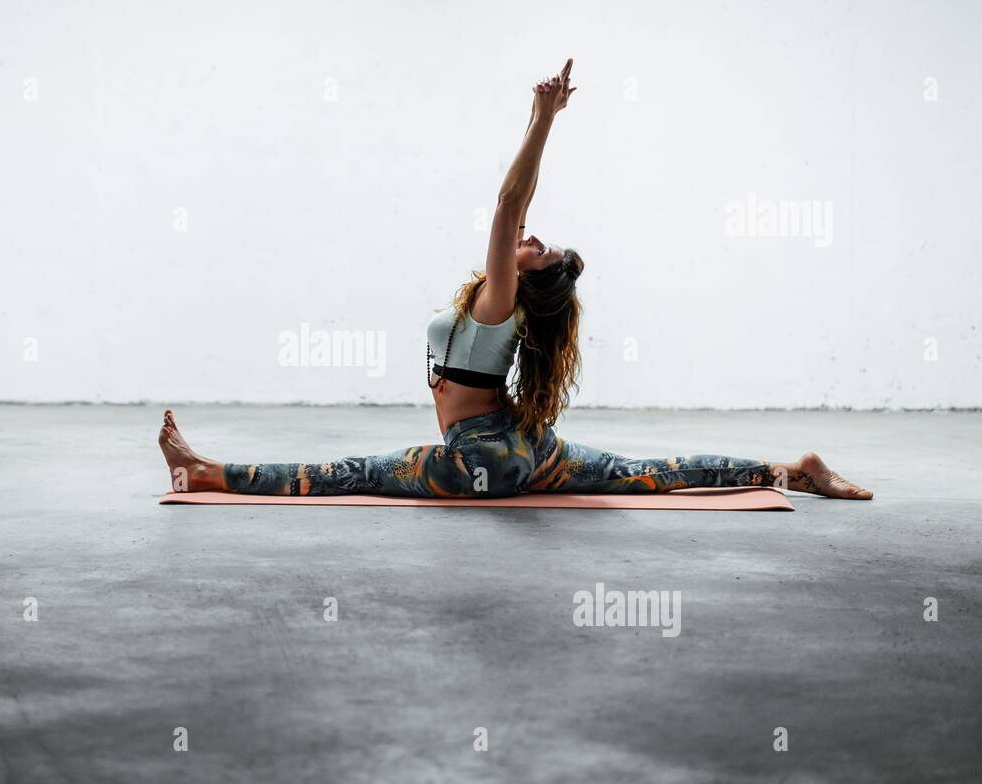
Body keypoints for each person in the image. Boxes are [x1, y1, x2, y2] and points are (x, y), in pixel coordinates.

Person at [158, 59, 872, 501]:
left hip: (483, 461)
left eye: (540, 247)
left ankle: (205, 473)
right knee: (651, 469)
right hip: (528, 449)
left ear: (526, 278)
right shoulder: (497, 303)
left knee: (348, 471)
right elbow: (517, 210)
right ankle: (791, 468)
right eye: (533, 238)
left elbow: (505, 207)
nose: (531, 236)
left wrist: (542, 119)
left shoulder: (502, 307)